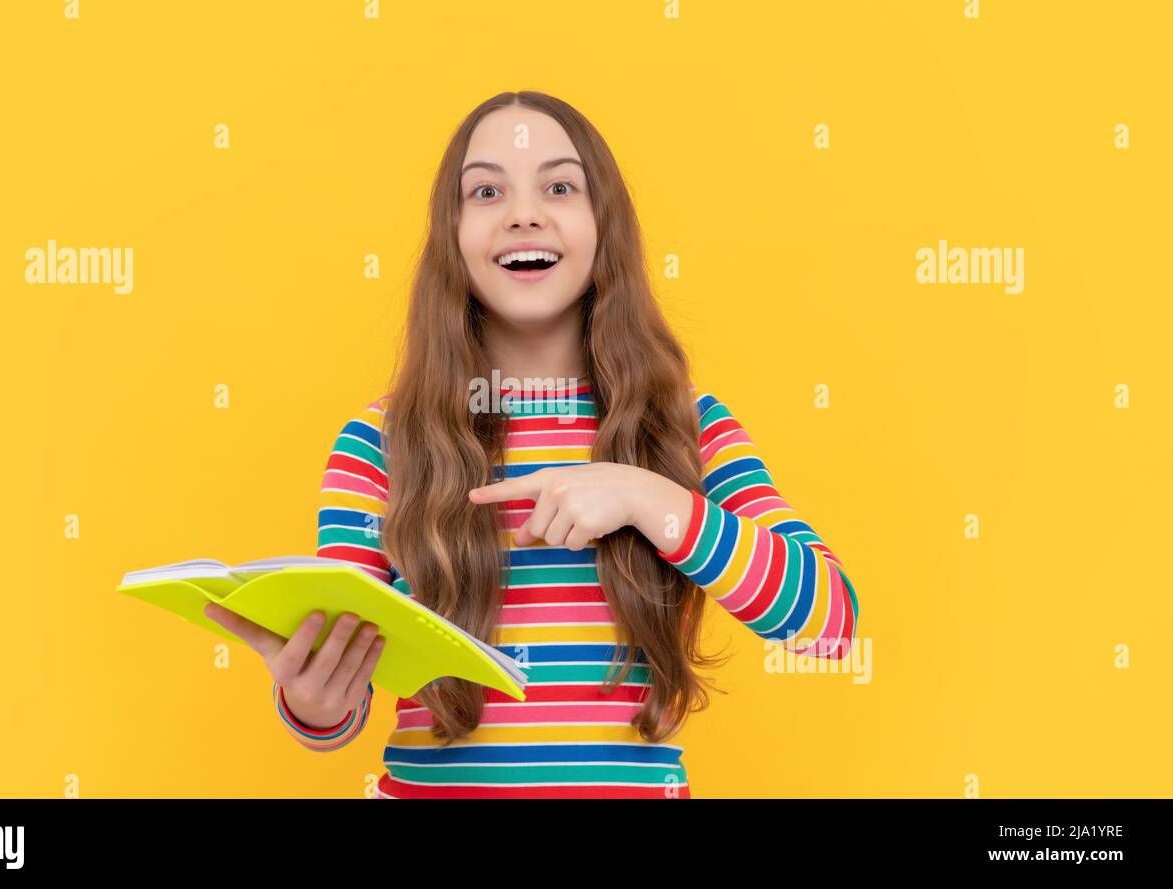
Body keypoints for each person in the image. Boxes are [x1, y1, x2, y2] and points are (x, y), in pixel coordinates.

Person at [206, 90, 859, 798]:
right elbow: (337, 712)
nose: (523, 212)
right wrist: (313, 699)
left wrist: (647, 497)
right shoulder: (382, 442)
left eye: (558, 185)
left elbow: (827, 625)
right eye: (487, 190)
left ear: (604, 226)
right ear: (451, 235)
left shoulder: (685, 427)